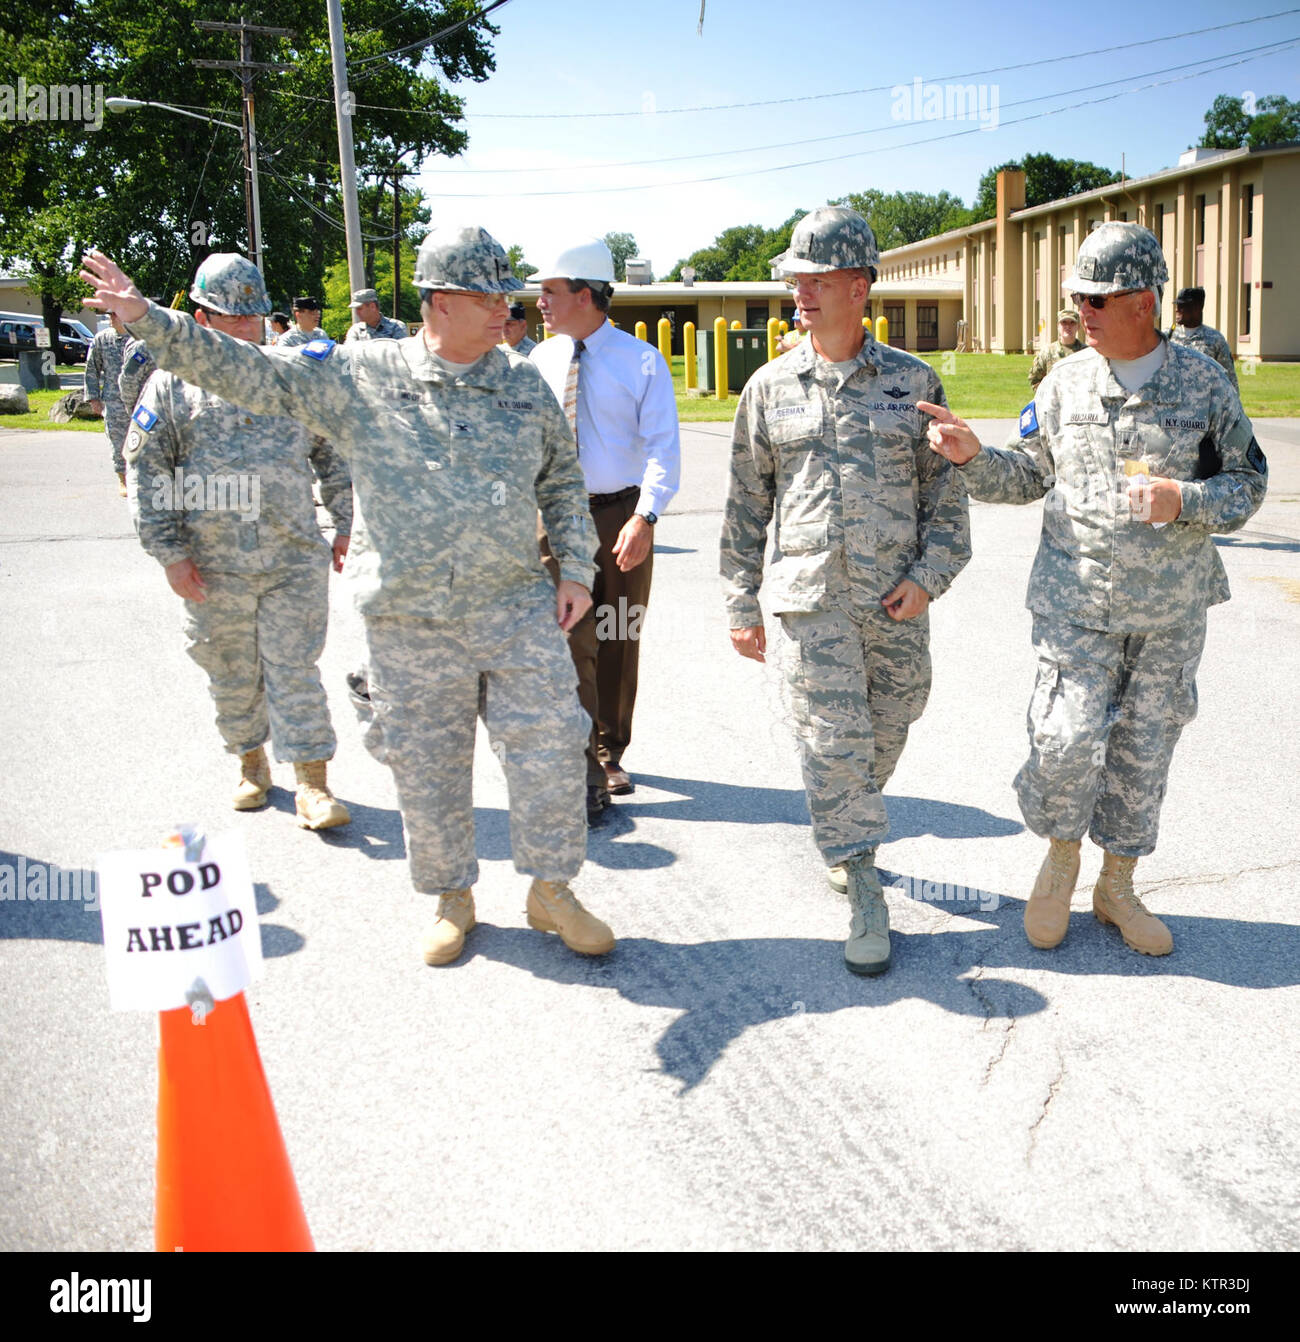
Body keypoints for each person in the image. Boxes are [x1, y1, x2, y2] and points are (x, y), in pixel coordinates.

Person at [81, 224, 612, 968]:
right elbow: (246, 370)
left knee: (553, 747)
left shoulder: (522, 382)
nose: (506, 309)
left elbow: (559, 481)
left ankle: (551, 889)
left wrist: (577, 571)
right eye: (487, 295)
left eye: (506, 294)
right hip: (408, 615)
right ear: (439, 301)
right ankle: (451, 898)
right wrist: (148, 319)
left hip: (514, 606)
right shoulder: (360, 375)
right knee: (427, 766)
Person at [924, 222, 1267, 957]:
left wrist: (1188, 501)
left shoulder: (1204, 385)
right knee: (1064, 740)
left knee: (1144, 752)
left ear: (1144, 299)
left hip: (1169, 611)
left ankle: (1117, 886)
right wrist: (974, 458)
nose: (1083, 311)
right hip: (1074, 603)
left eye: (1098, 298)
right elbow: (1028, 475)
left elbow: (1249, 481)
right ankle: (1059, 860)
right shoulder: (1063, 382)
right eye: (1077, 297)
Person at [720, 206, 972, 976]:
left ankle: (842, 822)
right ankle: (864, 882)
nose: (799, 291)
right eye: (794, 278)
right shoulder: (769, 387)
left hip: (894, 599)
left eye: (816, 278)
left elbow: (946, 498)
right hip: (809, 603)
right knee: (834, 744)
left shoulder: (911, 382)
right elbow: (744, 504)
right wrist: (739, 598)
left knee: (892, 722)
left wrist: (930, 581)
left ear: (859, 285)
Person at [122, 254, 353, 830]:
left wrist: (346, 523)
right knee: (229, 669)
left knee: (295, 669)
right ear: (201, 320)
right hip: (212, 565)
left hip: (291, 556)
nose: (247, 330)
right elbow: (148, 471)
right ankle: (251, 764)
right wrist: (170, 554)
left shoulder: (294, 376)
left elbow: (333, 453)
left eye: (253, 318)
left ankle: (313, 785)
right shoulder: (170, 387)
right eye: (233, 319)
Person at [530, 239, 680, 817]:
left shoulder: (641, 361)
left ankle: (609, 747)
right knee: (571, 639)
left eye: (550, 291)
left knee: (618, 635)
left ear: (585, 295)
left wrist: (646, 517)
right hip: (557, 516)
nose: (539, 301)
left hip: (621, 515)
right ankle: (580, 760)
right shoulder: (540, 361)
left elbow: (664, 449)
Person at [84, 312, 130, 495]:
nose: (111, 319)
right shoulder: (102, 339)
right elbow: (91, 369)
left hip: (141, 400)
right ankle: (123, 479)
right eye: (110, 315)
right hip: (113, 401)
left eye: (115, 315)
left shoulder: (140, 338)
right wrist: (93, 398)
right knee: (117, 441)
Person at [1170, 286, 1238, 390]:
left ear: (1197, 308)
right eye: (1177, 305)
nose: (1177, 310)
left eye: (1182, 306)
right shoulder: (1168, 336)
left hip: (1204, 404)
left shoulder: (1215, 339)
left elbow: (1229, 379)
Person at [1028, 308, 1085, 390]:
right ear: (1058, 326)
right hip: (1054, 401)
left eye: (1072, 323)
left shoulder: (1085, 352)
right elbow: (1034, 379)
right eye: (1064, 323)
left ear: (1078, 327)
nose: (1068, 326)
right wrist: (1045, 396)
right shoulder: (1048, 352)